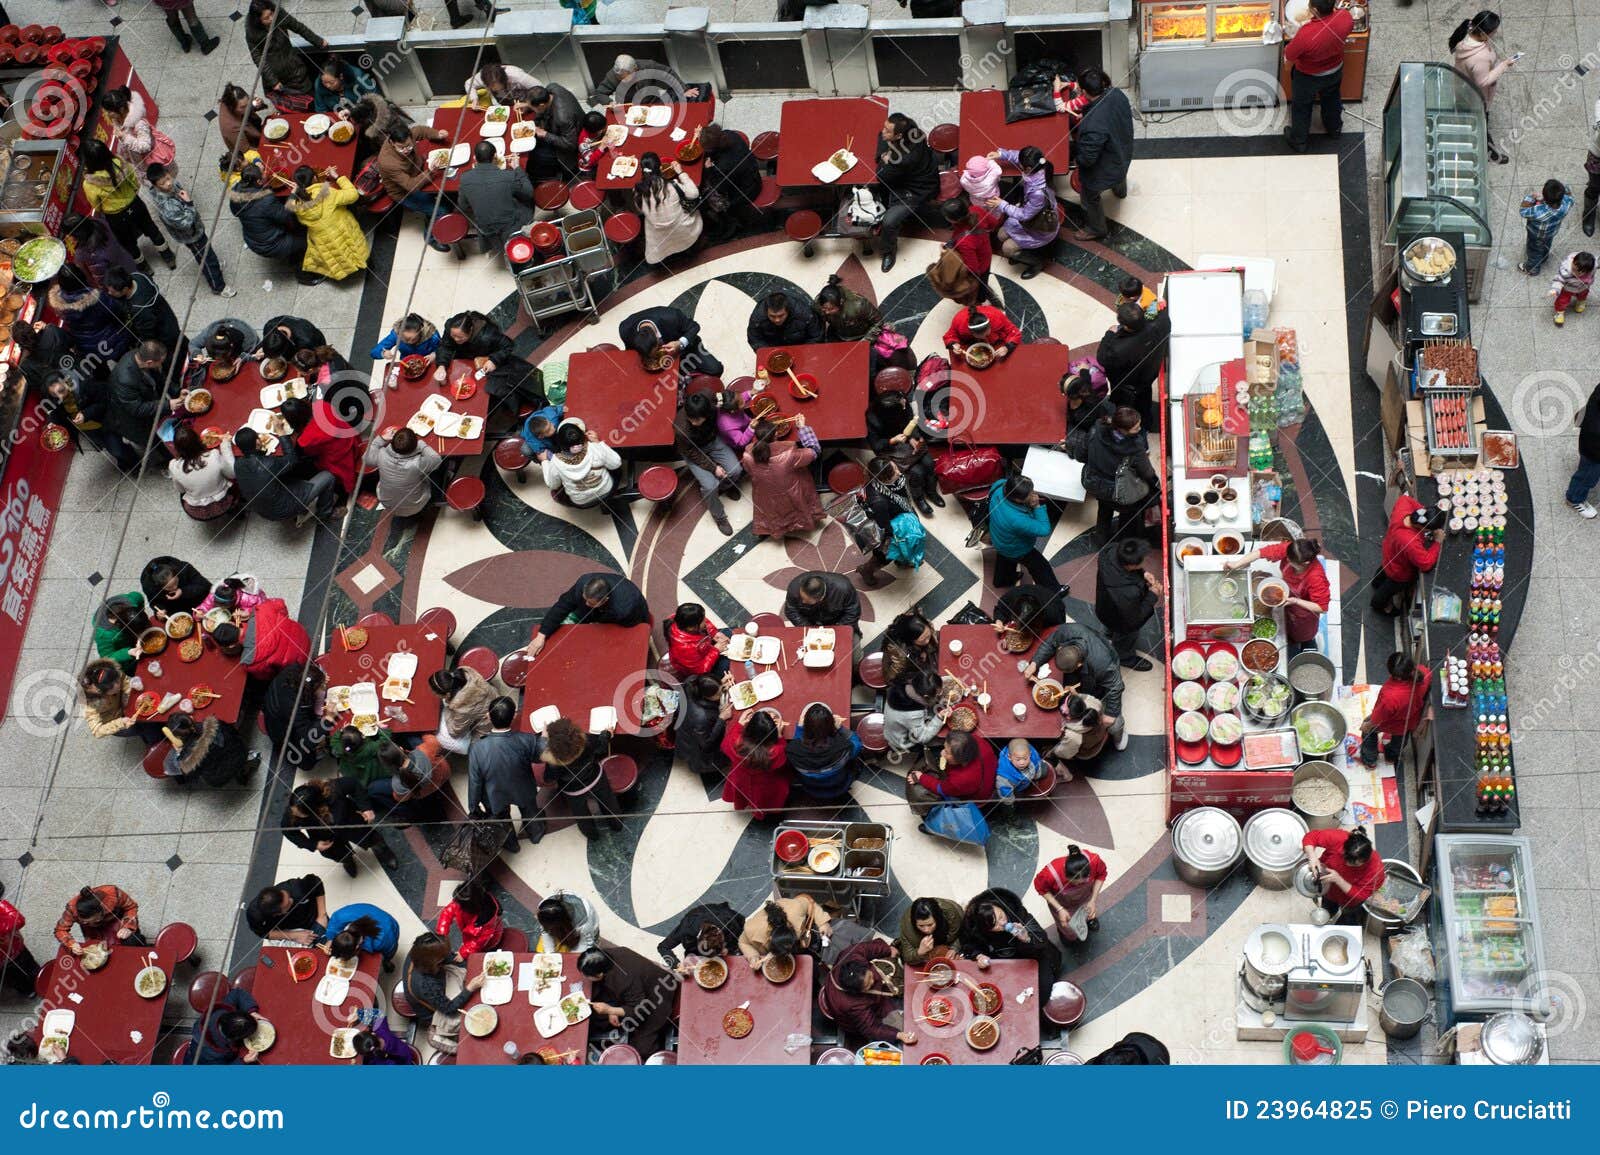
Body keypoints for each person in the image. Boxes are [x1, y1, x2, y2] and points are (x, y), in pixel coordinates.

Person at [1025, 622, 1128, 750]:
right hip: (1083, 666)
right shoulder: (1068, 631)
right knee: (1071, 694)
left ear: (1079, 665)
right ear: (1061, 649)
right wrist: (1035, 663)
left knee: (1114, 723)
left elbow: (1116, 686)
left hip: (1104, 666)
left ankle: (1119, 735)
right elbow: (1050, 643)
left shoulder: (1102, 664)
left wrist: (1111, 713)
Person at [1223, 538, 1330, 656]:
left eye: (1291, 561)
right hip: (1288, 602)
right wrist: (1236, 564)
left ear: (1305, 563)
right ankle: (1292, 639)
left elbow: (1322, 607)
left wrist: (1296, 601)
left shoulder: (1316, 577)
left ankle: (1306, 645)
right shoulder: (1293, 549)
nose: (1287, 560)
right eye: (1287, 557)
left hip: (1303, 615)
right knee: (1287, 630)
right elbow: (1262, 552)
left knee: (1301, 635)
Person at [466, 697, 547, 853]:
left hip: (494, 795)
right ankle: (535, 834)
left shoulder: (477, 748)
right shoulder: (527, 739)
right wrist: (543, 738)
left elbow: (474, 782)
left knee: (501, 821)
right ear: (514, 715)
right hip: (523, 788)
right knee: (530, 811)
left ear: (489, 716)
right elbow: (540, 756)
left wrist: (473, 807)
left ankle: (511, 845)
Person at [78, 139, 174, 270]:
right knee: (151, 228)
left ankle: (144, 267)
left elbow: (96, 205)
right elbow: (135, 183)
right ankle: (168, 256)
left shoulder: (89, 183)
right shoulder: (120, 164)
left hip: (116, 217)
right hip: (135, 205)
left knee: (128, 242)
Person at [434, 310, 544, 422]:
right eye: (453, 336)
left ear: (471, 330)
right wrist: (441, 365)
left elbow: (508, 345)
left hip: (488, 363)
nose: (456, 340)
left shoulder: (488, 335)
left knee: (492, 390)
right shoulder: (451, 328)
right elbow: (445, 346)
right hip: (467, 361)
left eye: (460, 337)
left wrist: (494, 360)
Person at [282, 777, 398, 877]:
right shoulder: (295, 811)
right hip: (325, 837)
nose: (294, 814)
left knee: (371, 838)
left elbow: (353, 784)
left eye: (299, 814)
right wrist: (312, 844)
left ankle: (383, 851)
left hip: (350, 822)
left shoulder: (333, 790)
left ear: (315, 808)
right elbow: (288, 831)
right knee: (337, 853)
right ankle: (347, 860)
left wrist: (365, 807)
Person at [146, 164, 232, 296]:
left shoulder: (171, 186)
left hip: (195, 230)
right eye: (163, 183)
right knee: (205, 258)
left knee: (206, 253)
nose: (169, 184)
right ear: (156, 185)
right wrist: (189, 203)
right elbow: (185, 223)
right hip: (191, 235)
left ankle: (213, 265)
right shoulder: (168, 207)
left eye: (168, 178)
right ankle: (218, 286)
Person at [1071, 66, 1135, 242]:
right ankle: (1120, 191)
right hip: (1123, 149)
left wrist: (1078, 158)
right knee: (1120, 171)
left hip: (1107, 166)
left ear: (1084, 92)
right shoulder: (1116, 94)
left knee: (1089, 195)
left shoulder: (1093, 124)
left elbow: (1088, 159)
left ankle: (1096, 228)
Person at [1081, 405, 1159, 543]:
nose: (1139, 429)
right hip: (1119, 489)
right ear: (1123, 430)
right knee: (1127, 514)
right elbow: (1146, 472)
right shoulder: (1134, 447)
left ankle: (1101, 538)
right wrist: (1155, 485)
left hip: (1096, 484)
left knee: (1104, 510)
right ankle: (1124, 541)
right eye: (1136, 428)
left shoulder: (1097, 429)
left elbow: (1083, 451)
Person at [578, 947, 675, 1058]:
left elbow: (640, 1010)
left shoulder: (625, 981)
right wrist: (613, 1009)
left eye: (587, 976)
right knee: (597, 1012)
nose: (585, 978)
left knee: (642, 1049)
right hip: (639, 991)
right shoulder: (606, 955)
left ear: (600, 975)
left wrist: (611, 1009)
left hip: (657, 1000)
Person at [231, 427, 339, 527]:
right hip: (286, 508)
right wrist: (282, 433)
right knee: (328, 476)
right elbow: (292, 460)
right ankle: (324, 513)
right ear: (257, 442)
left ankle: (304, 508)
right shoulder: (268, 464)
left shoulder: (238, 464)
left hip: (263, 511)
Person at [1283, 0, 1353, 152]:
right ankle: (1334, 129)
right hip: (1335, 70)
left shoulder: (1306, 34)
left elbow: (1289, 55)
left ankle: (1299, 141)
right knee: (1332, 99)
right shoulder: (1345, 17)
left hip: (1308, 77)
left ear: (1314, 10)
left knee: (1302, 106)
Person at [875, 113, 940, 273]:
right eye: (885, 127)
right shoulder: (914, 133)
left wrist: (885, 159)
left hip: (915, 191)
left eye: (887, 131)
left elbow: (881, 175)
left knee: (889, 222)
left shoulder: (904, 160)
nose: (883, 132)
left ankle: (888, 252)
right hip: (902, 179)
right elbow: (881, 138)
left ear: (898, 135)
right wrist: (884, 155)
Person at [529, 572, 650, 659]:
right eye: (585, 599)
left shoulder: (624, 608)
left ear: (604, 600)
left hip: (628, 620)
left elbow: (626, 631)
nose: (586, 604)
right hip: (597, 614)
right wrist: (541, 635)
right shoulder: (583, 584)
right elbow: (563, 605)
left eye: (590, 603)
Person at [400, 932, 484, 1056]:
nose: (448, 955)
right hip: (434, 1010)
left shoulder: (420, 950)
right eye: (442, 958)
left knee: (466, 974)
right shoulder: (426, 984)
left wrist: (469, 965)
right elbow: (448, 1008)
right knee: (471, 1015)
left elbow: (450, 958)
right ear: (434, 963)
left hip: (439, 985)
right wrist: (470, 988)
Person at [672, 390, 743, 536]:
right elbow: (691, 453)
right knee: (710, 487)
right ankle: (720, 517)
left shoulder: (710, 400)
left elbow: (732, 397)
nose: (694, 422)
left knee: (736, 470)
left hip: (713, 441)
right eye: (692, 419)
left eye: (698, 419)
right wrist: (713, 468)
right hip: (694, 452)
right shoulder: (681, 429)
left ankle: (726, 485)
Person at [819, 939, 915, 1046]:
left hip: (869, 994)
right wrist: (898, 1035)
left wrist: (887, 950)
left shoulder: (852, 956)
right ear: (857, 992)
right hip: (860, 1015)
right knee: (903, 1024)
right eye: (868, 985)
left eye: (870, 976)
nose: (873, 981)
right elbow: (871, 1028)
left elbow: (866, 948)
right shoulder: (852, 1004)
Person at [540, 717, 623, 840]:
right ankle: (617, 825)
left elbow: (548, 779)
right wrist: (607, 734)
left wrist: (544, 740)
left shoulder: (554, 762)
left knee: (581, 814)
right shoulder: (587, 742)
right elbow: (601, 747)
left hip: (573, 791)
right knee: (609, 803)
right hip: (596, 779)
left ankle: (592, 835)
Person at [375, 122, 453, 250]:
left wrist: (437, 134)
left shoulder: (409, 135)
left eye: (409, 146)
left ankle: (430, 214)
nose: (406, 150)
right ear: (392, 143)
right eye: (401, 148)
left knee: (446, 192)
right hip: (405, 192)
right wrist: (430, 172)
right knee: (442, 210)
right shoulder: (388, 162)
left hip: (418, 171)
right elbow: (411, 185)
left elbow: (421, 130)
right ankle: (431, 238)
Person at [1450, 12, 1514, 164]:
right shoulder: (1480, 58)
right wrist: (1504, 65)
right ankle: (1491, 154)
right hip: (1474, 97)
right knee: (1482, 124)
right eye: (1494, 31)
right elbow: (1483, 81)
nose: (1495, 34)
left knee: (1474, 119)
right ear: (1484, 33)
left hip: (1461, 87)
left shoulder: (1466, 33)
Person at [984, 145, 1057, 279]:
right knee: (1001, 235)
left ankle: (1037, 263)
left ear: (1028, 169)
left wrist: (1002, 204)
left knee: (1007, 249)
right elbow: (1020, 157)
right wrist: (1001, 154)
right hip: (1029, 213)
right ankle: (1020, 253)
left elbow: (1024, 215)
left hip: (1038, 226)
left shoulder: (1038, 193)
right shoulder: (1040, 163)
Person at [743, 417, 823, 538]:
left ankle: (775, 528)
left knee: (773, 510)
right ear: (776, 435)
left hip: (765, 495)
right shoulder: (788, 454)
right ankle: (800, 523)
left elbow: (749, 471)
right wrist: (803, 428)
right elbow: (814, 451)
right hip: (791, 491)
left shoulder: (747, 456)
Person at [286, 165, 369, 283]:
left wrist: (294, 193)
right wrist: (337, 177)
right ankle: (363, 263)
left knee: (334, 256)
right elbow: (353, 195)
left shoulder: (296, 204)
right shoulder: (326, 193)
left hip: (321, 239)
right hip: (341, 228)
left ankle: (343, 271)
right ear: (315, 178)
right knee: (353, 247)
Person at [958, 888, 1061, 983]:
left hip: (1034, 957)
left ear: (999, 906)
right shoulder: (975, 929)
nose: (1002, 923)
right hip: (1006, 964)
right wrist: (978, 955)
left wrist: (1027, 939)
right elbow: (969, 945)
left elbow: (1041, 940)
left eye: (1001, 916)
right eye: (995, 925)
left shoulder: (1019, 915)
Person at [1097, 304, 1172, 430]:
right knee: (1144, 400)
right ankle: (1146, 422)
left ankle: (1129, 424)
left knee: (1124, 406)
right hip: (1148, 374)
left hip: (1127, 385)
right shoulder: (1161, 323)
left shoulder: (1118, 348)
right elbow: (1161, 310)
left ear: (1125, 326)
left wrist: (1109, 334)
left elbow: (1102, 358)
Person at [865, 386, 939, 510]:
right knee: (918, 472)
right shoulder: (873, 419)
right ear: (890, 414)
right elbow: (876, 446)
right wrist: (892, 440)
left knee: (930, 464)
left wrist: (912, 438)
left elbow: (910, 421)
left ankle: (931, 491)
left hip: (907, 440)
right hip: (891, 448)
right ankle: (918, 497)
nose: (905, 406)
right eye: (903, 406)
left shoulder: (901, 402)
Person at [1372, 493, 1445, 614]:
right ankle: (1379, 604)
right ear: (1425, 529)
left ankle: (1376, 583)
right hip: (1398, 571)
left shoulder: (1403, 506)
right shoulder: (1410, 541)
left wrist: (1428, 516)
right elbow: (1426, 563)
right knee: (1389, 588)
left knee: (1383, 571)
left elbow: (1406, 499)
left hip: (1389, 551)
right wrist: (1437, 542)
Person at [49, 264, 133, 369]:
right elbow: (116, 311)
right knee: (124, 358)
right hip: (110, 339)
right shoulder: (98, 299)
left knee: (102, 365)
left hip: (86, 344)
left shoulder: (59, 305)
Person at [458, 140, 536, 253]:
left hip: (485, 226)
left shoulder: (465, 178)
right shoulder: (508, 176)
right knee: (526, 199)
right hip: (509, 225)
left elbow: (463, 206)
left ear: (475, 158)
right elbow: (529, 193)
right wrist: (517, 168)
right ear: (495, 156)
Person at [211, 596, 310, 683]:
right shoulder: (262, 611)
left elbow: (268, 676)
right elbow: (280, 603)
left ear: (231, 645)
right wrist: (251, 614)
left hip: (301, 663)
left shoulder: (251, 664)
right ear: (232, 623)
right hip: (303, 635)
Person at [228, 164, 308, 269]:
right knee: (307, 240)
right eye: (263, 173)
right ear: (259, 182)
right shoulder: (266, 200)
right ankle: (302, 273)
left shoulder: (235, 191)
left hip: (252, 238)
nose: (266, 173)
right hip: (270, 244)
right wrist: (293, 195)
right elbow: (285, 216)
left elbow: (235, 213)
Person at [1360, 652, 1432, 769]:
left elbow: (1377, 718)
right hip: (1410, 722)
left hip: (1391, 722)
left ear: (1397, 676)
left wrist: (1367, 725)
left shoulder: (1390, 697)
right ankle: (1391, 757)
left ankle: (1370, 760)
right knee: (1399, 742)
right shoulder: (1424, 673)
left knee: (1368, 731)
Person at [1096, 537, 1160, 670]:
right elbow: (1134, 619)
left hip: (1104, 606)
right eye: (1142, 560)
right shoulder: (1127, 592)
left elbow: (1125, 572)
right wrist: (1153, 594)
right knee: (1125, 637)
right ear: (1131, 565)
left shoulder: (1109, 552)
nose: (1145, 561)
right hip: (1121, 620)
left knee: (1109, 625)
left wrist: (1143, 573)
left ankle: (1107, 634)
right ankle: (1125, 658)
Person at [246, 0, 330, 100]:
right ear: (258, 20)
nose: (272, 19)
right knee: (285, 98)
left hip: (292, 62)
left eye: (271, 14)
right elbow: (258, 57)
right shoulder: (252, 31)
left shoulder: (279, 13)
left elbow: (298, 27)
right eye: (266, 18)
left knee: (307, 91)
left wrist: (318, 41)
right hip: (274, 71)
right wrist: (273, 81)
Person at [281, 395, 362, 500]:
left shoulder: (305, 439)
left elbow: (312, 453)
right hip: (349, 438)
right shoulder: (322, 405)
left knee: (307, 464)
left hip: (339, 458)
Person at [987, 475, 1061, 589]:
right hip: (1017, 549)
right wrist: (1037, 506)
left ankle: (1002, 581)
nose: (1034, 494)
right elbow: (1044, 529)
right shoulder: (1017, 519)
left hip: (999, 539)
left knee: (1005, 560)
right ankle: (1053, 591)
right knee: (1040, 567)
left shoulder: (999, 485)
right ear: (1018, 499)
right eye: (1030, 494)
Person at [719, 705, 790, 819]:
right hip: (765, 784)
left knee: (745, 794)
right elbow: (783, 759)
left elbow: (725, 744)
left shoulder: (736, 743)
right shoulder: (774, 752)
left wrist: (739, 724)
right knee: (764, 798)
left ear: (749, 730)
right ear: (772, 735)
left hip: (741, 780)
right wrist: (780, 737)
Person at [1301, 827, 1385, 921]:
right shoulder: (1340, 838)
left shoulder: (1376, 869)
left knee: (1348, 915)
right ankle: (1329, 915)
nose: (1347, 864)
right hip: (1327, 890)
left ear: (1366, 860)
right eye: (1345, 858)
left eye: (1354, 864)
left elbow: (1362, 894)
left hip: (1349, 899)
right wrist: (1312, 857)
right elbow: (1311, 837)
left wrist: (1338, 880)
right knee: (1328, 909)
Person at [634, 153, 703, 265]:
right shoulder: (672, 186)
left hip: (658, 233)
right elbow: (694, 193)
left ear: (642, 170)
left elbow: (640, 210)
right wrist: (680, 173)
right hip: (682, 227)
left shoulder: (637, 191)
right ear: (660, 168)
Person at [905, 729, 996, 815]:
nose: (942, 753)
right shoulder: (978, 741)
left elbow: (941, 788)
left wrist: (921, 778)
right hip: (985, 779)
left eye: (947, 752)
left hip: (976, 799)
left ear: (960, 760)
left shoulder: (961, 779)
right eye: (944, 748)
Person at [621, 304, 724, 378]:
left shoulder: (671, 316)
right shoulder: (625, 330)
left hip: (687, 349)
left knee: (716, 369)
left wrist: (680, 343)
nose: (656, 355)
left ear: (658, 338)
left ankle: (689, 373)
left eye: (657, 350)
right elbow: (630, 352)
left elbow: (694, 327)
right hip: (664, 363)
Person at [262, 662, 330, 773]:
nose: (323, 687)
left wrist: (319, 677)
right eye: (321, 686)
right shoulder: (293, 708)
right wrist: (329, 719)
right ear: (309, 691)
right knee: (307, 762)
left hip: (273, 704)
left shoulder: (294, 670)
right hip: (281, 729)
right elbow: (307, 736)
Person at [1034, 844, 1109, 944]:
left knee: (1088, 914)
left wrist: (1093, 900)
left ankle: (1088, 921)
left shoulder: (1094, 861)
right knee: (1068, 930)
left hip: (1086, 899)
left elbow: (1101, 874)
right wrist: (1059, 909)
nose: (1078, 884)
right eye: (1074, 882)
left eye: (1083, 881)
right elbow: (1041, 889)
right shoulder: (1050, 874)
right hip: (1063, 905)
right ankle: (1065, 935)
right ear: (1065, 873)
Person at [786, 704, 862, 801]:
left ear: (806, 726)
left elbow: (797, 744)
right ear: (832, 725)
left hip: (810, 788)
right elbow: (857, 745)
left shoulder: (792, 750)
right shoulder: (843, 747)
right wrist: (841, 728)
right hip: (840, 785)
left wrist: (799, 729)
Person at [161, 712, 259, 787]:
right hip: (241, 753)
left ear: (177, 736)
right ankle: (245, 769)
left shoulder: (189, 757)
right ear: (191, 718)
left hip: (219, 776)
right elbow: (234, 733)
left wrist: (179, 752)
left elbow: (191, 776)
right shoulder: (215, 724)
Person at [79, 659, 162, 746]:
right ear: (102, 692)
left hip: (123, 705)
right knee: (142, 727)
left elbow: (126, 684)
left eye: (118, 681)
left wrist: (130, 691)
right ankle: (154, 743)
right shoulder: (89, 705)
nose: (119, 687)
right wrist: (120, 723)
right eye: (114, 690)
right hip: (115, 722)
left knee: (147, 717)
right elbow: (97, 731)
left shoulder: (112, 673)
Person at [364, 427, 443, 518]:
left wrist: (381, 439)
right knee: (436, 472)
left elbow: (366, 458)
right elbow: (437, 460)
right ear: (415, 447)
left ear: (392, 442)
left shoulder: (381, 454)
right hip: (415, 505)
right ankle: (436, 498)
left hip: (387, 504)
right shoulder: (417, 463)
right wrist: (421, 444)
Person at [700, 123, 763, 231]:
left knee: (706, 196)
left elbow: (719, 188)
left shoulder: (724, 166)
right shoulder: (730, 134)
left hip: (747, 191)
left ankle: (729, 220)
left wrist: (709, 169)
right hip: (752, 174)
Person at [737, 896, 829, 969]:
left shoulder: (795, 909)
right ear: (769, 939)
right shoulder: (752, 929)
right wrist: (753, 957)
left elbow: (808, 901)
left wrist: (822, 923)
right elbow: (743, 942)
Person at [102, 86, 175, 173]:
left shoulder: (139, 124)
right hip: (138, 158)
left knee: (163, 179)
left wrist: (124, 138)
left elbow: (145, 146)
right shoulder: (117, 119)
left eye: (109, 111)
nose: (107, 114)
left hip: (151, 159)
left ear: (121, 109)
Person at [882, 668, 953, 756]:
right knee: (943, 738)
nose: (941, 694)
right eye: (938, 694)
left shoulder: (911, 680)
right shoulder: (913, 714)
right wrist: (939, 717)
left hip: (898, 720)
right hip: (901, 739)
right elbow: (923, 737)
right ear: (926, 696)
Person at [54, 885, 145, 953]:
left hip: (115, 920)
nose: (95, 921)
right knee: (96, 951)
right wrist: (71, 944)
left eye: (95, 919)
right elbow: (60, 930)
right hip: (92, 930)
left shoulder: (113, 894)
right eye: (87, 921)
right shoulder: (71, 910)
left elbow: (131, 907)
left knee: (132, 940)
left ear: (102, 910)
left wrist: (127, 927)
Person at [656, 901, 745, 969]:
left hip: (723, 924)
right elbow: (663, 947)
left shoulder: (729, 921)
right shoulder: (687, 927)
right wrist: (677, 965)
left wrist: (727, 949)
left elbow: (742, 933)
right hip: (695, 949)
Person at [521, 84, 584, 179]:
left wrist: (545, 134)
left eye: (532, 107)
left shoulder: (563, 117)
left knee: (534, 155)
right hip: (567, 124)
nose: (532, 109)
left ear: (541, 105)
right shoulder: (553, 87)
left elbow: (570, 144)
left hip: (577, 140)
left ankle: (556, 174)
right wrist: (527, 105)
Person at [428, 666, 495, 754]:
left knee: (440, 736)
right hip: (493, 699)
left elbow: (455, 732)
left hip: (485, 726)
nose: (432, 693)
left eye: (434, 692)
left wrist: (447, 711)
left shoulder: (463, 709)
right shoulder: (466, 675)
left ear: (447, 695)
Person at [942, 197, 996, 302]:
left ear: (952, 219)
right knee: (984, 280)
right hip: (986, 253)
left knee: (978, 287)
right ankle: (982, 295)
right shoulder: (976, 209)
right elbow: (993, 223)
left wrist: (948, 254)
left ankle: (978, 301)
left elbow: (973, 268)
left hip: (980, 266)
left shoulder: (964, 242)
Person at [245, 875, 327, 943]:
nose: (291, 899)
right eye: (288, 904)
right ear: (277, 914)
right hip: (284, 930)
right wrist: (293, 936)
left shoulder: (297, 887)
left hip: (312, 918)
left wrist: (322, 915)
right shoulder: (255, 914)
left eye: (287, 895)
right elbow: (262, 933)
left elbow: (316, 882)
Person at [594, 54, 702, 104]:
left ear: (635, 69)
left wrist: (684, 89)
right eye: (621, 78)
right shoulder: (612, 75)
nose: (625, 80)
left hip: (653, 100)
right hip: (629, 105)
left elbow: (668, 73)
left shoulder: (647, 66)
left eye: (628, 76)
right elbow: (599, 94)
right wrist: (610, 103)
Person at [191, 988, 263, 1064]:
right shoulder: (213, 1055)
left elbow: (237, 993)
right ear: (236, 1039)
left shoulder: (221, 1013)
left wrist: (251, 1012)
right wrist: (244, 1061)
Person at [434, 881, 505, 957]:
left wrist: (463, 953)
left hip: (488, 940)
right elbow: (448, 912)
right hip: (472, 932)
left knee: (482, 950)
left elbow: (478, 943)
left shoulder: (486, 920)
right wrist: (441, 933)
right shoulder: (466, 900)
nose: (455, 904)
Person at [1520, 179, 1574, 276]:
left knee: (1534, 251)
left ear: (1544, 197)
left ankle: (1532, 269)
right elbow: (1569, 193)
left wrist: (1532, 197)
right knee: (1546, 244)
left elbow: (1523, 211)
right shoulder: (1567, 203)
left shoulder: (1538, 211)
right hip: (1552, 232)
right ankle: (1544, 257)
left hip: (1536, 236)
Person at [324, 904, 401, 971]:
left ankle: (387, 962)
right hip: (367, 913)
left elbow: (391, 950)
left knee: (386, 955)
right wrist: (330, 939)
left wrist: (387, 960)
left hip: (389, 928)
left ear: (357, 947)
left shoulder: (382, 940)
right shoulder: (340, 916)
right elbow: (334, 923)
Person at [1060, 366, 1114, 460]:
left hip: (1092, 428)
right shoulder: (1086, 390)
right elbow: (1086, 379)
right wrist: (1083, 369)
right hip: (1100, 413)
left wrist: (1069, 445)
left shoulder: (1080, 416)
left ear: (1066, 395)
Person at [665, 602, 729, 678]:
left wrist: (714, 633)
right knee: (729, 663)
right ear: (691, 628)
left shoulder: (683, 619)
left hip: (705, 647)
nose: (705, 622)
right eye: (703, 621)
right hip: (698, 671)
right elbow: (700, 671)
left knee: (728, 633)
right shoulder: (684, 647)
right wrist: (715, 650)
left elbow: (704, 622)